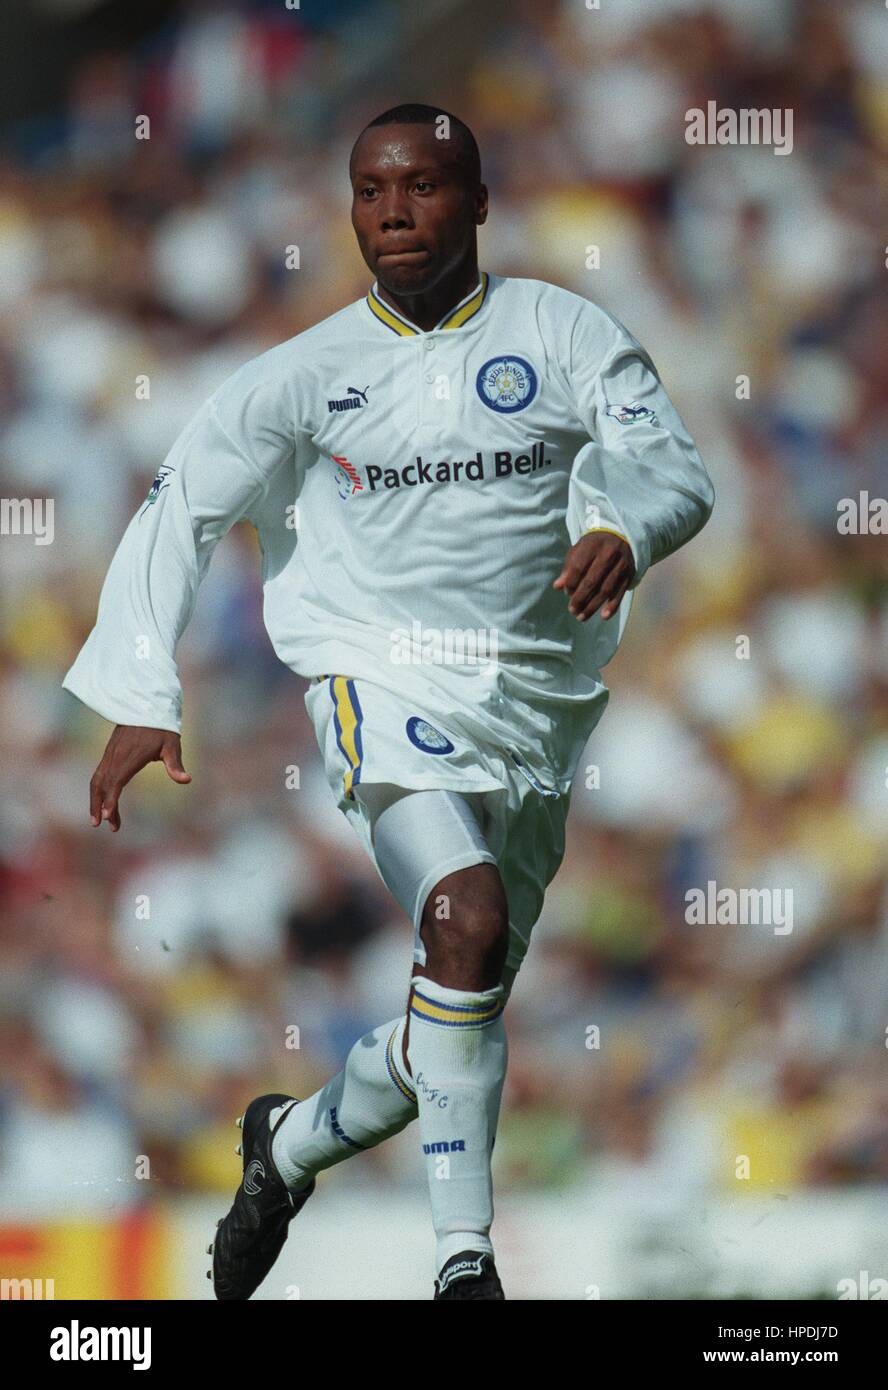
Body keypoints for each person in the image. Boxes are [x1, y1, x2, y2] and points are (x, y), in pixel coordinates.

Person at [63, 103, 715, 1300]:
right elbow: (181, 505)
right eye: (373, 191)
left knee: (453, 1018)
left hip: (538, 706)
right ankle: (465, 1262)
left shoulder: (563, 331)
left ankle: (289, 1146)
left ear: (477, 202)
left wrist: (627, 521)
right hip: (380, 678)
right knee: (458, 922)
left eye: (422, 188)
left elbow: (671, 463)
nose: (396, 213)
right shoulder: (302, 375)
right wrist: (142, 686)